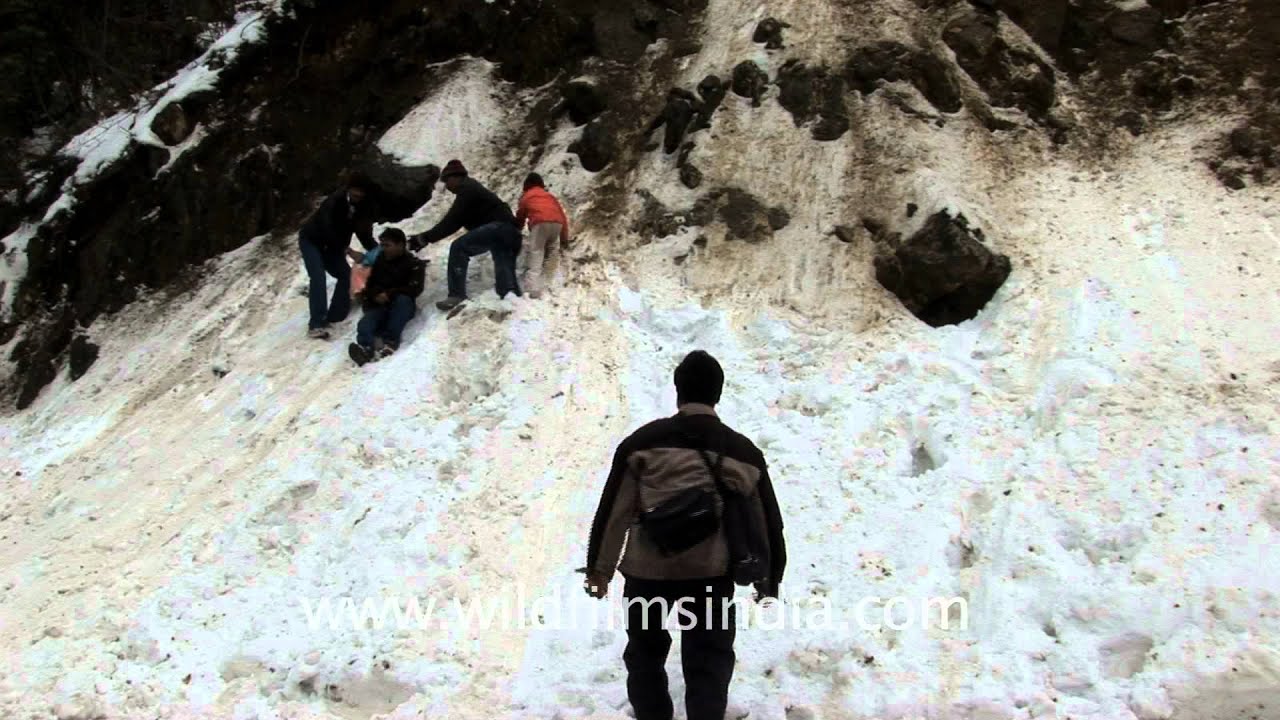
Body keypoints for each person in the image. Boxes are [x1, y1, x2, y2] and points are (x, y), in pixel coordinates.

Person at [584, 351, 787, 720]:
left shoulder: (642, 443)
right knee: (709, 659)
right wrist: (769, 581)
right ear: (718, 395)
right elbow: (767, 522)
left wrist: (600, 570)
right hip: (711, 576)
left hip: (647, 576)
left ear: (678, 391)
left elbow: (615, 510)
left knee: (644, 653)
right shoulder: (743, 452)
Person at [408, 159, 521, 311]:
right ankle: (510, 298)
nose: (447, 186)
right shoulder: (473, 189)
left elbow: (452, 221)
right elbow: (459, 221)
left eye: (447, 180)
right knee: (503, 261)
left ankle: (457, 294)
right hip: (510, 232)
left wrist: (424, 238)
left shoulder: (468, 190)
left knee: (458, 247)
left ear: (457, 177)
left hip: (498, 228)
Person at [298, 172, 378, 339]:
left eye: (361, 193)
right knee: (318, 276)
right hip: (313, 240)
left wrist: (381, 253)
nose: (357, 196)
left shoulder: (363, 208)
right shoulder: (334, 202)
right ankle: (316, 324)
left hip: (333, 245)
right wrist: (348, 251)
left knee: (345, 275)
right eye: (355, 192)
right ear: (348, 189)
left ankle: (335, 316)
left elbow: (365, 236)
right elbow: (327, 228)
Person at [347, 228, 425, 366]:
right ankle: (366, 349)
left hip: (400, 306)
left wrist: (389, 294)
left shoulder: (414, 264)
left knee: (403, 301)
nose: (383, 249)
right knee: (365, 324)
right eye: (382, 245)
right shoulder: (380, 260)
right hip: (379, 306)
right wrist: (375, 294)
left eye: (387, 245)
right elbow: (370, 284)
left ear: (400, 245)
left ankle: (390, 342)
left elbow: (415, 288)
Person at [513, 173, 570, 299]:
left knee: (536, 254)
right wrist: (564, 238)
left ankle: (531, 290)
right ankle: (548, 284)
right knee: (551, 253)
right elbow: (563, 217)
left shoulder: (526, 196)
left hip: (540, 223)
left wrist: (517, 229)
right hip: (557, 224)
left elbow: (520, 216)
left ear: (527, 186)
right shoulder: (550, 197)